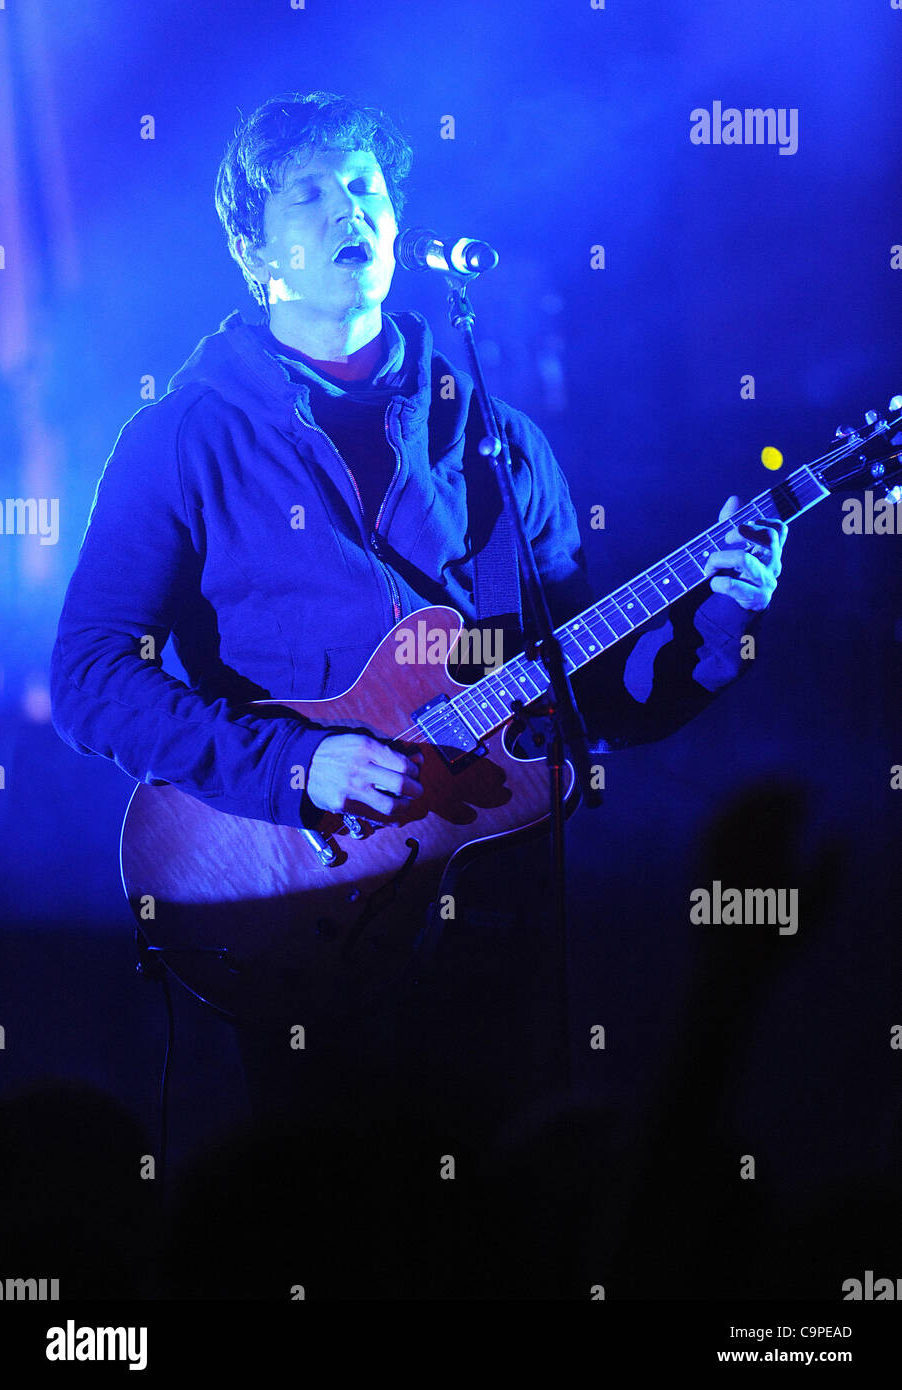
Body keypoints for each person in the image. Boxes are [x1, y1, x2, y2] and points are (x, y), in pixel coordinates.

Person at [50, 90, 787, 1131]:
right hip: (292, 905)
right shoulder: (182, 438)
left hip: (488, 916)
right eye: (309, 192)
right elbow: (88, 682)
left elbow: (581, 694)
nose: (348, 207)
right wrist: (298, 767)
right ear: (257, 252)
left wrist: (716, 622)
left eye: (364, 185)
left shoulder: (498, 441)